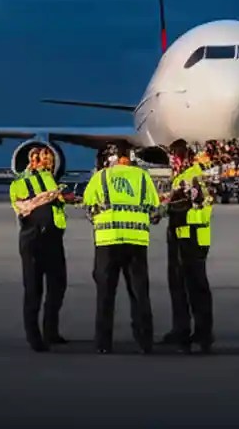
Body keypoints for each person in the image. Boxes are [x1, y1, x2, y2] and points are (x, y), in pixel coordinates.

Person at [81, 148, 160, 354]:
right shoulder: (143, 177)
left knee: (105, 294)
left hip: (108, 241)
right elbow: (154, 210)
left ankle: (103, 343)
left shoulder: (101, 177)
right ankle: (145, 341)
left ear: (113, 159)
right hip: (136, 242)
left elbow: (88, 207)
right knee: (140, 293)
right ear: (131, 159)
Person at [8, 146, 78, 352]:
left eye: (50, 159)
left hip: (53, 238)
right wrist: (50, 196)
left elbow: (59, 200)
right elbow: (23, 206)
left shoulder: (50, 180)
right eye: (45, 159)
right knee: (34, 289)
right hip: (34, 239)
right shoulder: (19, 184)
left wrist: (66, 197)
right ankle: (34, 337)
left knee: (58, 286)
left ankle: (51, 331)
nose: (50, 163)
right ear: (34, 161)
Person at [161, 151, 215, 353]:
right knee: (188, 286)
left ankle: (194, 332)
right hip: (191, 235)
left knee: (189, 286)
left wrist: (167, 205)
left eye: (173, 158)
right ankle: (194, 331)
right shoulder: (193, 175)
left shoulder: (190, 176)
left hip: (188, 236)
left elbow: (189, 205)